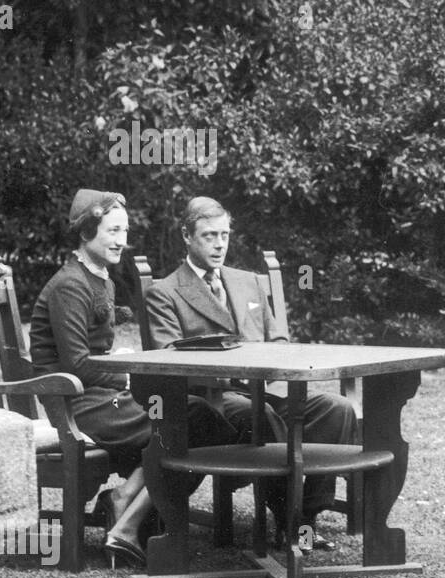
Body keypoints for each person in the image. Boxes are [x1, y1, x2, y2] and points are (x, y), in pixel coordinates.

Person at [28, 189, 235, 567]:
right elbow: (75, 365)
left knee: (197, 417)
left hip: (102, 397)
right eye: (112, 231)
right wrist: (126, 372)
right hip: (77, 405)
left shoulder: (100, 279)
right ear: (87, 232)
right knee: (194, 419)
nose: (121, 240)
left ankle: (126, 504)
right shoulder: (70, 285)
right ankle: (126, 515)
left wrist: (119, 366)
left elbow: (94, 355)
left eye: (124, 230)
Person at [144, 197, 358, 552]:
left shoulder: (250, 283)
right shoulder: (165, 292)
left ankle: (306, 519)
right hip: (217, 396)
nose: (219, 244)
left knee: (337, 409)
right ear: (186, 235)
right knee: (259, 415)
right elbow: (168, 359)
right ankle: (289, 521)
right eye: (208, 235)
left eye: (224, 235)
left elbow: (278, 341)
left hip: (269, 387)